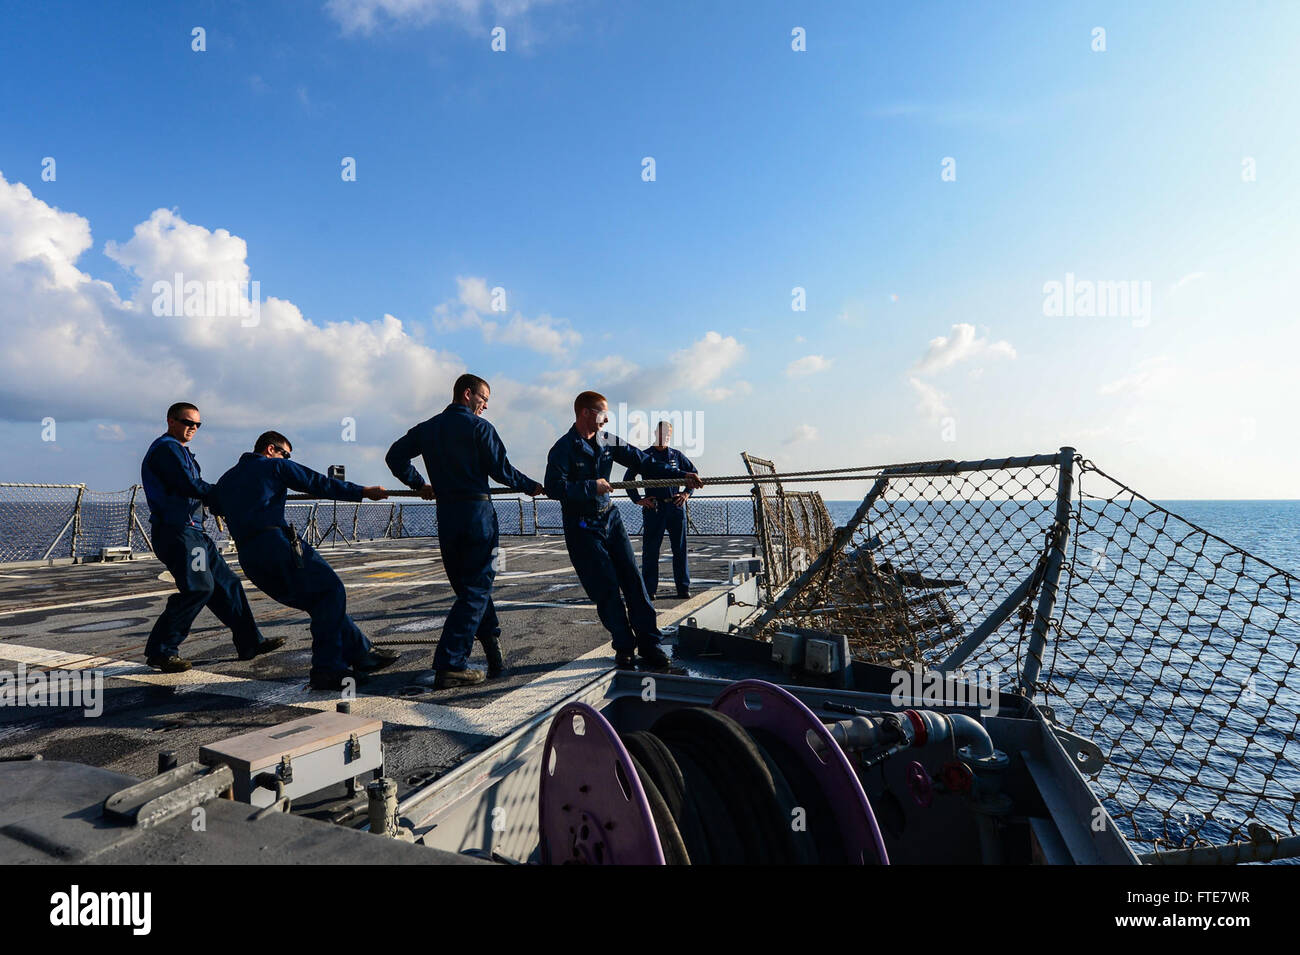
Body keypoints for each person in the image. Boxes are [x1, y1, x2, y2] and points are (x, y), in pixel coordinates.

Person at [386, 374, 544, 689]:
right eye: (483, 399)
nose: (485, 406)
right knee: (477, 588)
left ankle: (492, 648)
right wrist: (534, 487)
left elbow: (394, 456)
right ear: (467, 394)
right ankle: (450, 663)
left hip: (446, 515)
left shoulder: (428, 428)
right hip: (477, 515)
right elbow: (502, 471)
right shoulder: (479, 428)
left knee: (470, 589)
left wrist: (419, 484)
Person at [214, 431, 399, 690]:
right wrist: (363, 491)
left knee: (319, 601)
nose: (288, 459)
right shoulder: (275, 465)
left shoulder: (226, 479)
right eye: (286, 454)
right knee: (331, 591)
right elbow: (316, 482)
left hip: (249, 556)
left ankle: (362, 653)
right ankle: (328, 668)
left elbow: (216, 506)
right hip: (275, 544)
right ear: (270, 449)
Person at [545, 392, 703, 670]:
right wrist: (590, 486)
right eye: (601, 413)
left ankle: (650, 644)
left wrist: (678, 475)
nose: (606, 419)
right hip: (582, 525)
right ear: (584, 413)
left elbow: (642, 461)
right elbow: (554, 487)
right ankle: (624, 647)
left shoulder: (608, 440)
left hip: (610, 518)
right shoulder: (563, 448)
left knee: (633, 580)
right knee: (606, 588)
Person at [141, 402, 281, 672]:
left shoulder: (180, 451)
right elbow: (189, 486)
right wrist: (227, 495)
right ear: (171, 421)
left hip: (195, 532)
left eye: (197, 424)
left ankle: (250, 642)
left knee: (227, 585)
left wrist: (217, 501)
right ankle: (162, 650)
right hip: (178, 532)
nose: (192, 428)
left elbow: (194, 490)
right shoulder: (167, 449)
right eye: (187, 422)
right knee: (199, 588)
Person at [623, 420, 697, 599]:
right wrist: (638, 500)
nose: (664, 437)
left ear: (670, 436)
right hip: (654, 508)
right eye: (662, 433)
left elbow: (694, 475)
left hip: (675, 507)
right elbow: (628, 479)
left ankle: (683, 588)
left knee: (679, 549)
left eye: (668, 434)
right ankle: (650, 590)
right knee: (651, 550)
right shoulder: (644, 456)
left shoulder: (677, 456)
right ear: (656, 434)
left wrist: (686, 494)